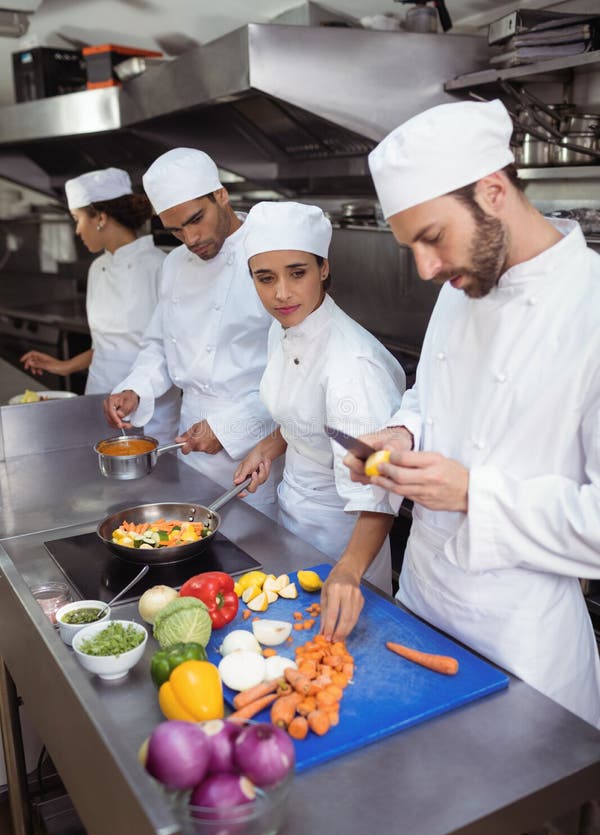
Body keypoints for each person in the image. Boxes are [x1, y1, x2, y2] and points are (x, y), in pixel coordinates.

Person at [338, 98, 600, 726]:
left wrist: (473, 495)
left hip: (521, 643)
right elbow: (431, 395)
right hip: (422, 606)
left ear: (492, 192)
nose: (426, 269)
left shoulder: (590, 310)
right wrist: (401, 433)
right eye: (412, 248)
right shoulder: (465, 282)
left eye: (431, 239)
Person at [233, 201, 405, 619]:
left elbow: (377, 493)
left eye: (297, 273)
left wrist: (348, 570)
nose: (282, 294)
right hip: (293, 522)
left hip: (343, 540)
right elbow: (311, 415)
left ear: (323, 268)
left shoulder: (352, 364)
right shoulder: (285, 327)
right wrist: (272, 445)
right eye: (265, 278)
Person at [102, 148, 277, 516]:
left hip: (258, 448)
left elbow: (295, 374)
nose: (191, 238)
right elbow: (159, 345)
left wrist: (227, 429)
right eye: (176, 229)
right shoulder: (174, 264)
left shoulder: (271, 256)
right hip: (191, 445)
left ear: (221, 195)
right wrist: (137, 387)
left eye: (196, 219)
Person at [20, 167, 180, 442]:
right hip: (97, 399)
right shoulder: (97, 268)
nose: (77, 230)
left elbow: (168, 350)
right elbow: (104, 347)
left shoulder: (161, 266)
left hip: (149, 412)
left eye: (77, 219)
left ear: (101, 218)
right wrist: (63, 366)